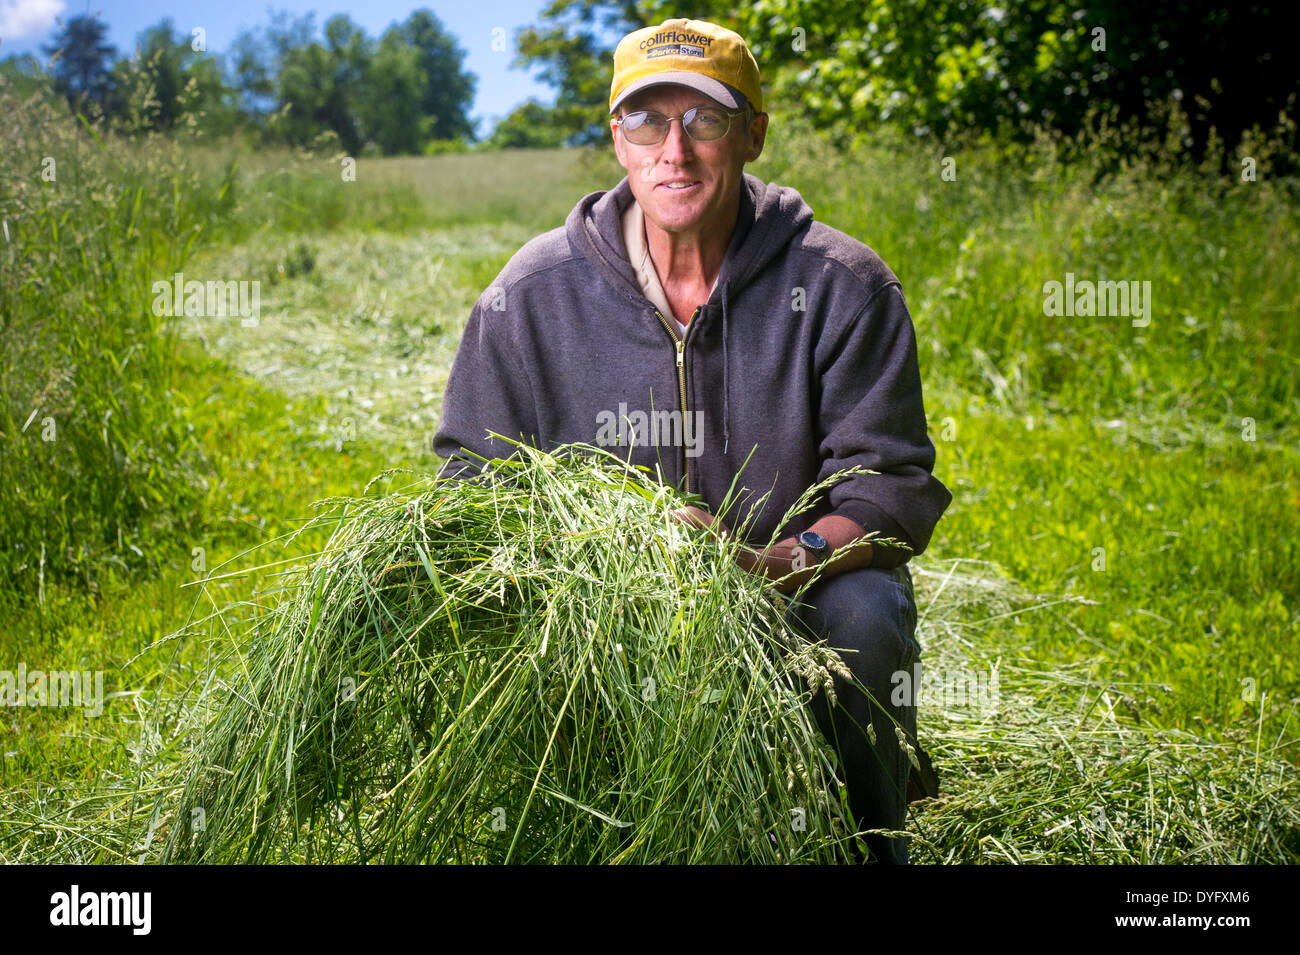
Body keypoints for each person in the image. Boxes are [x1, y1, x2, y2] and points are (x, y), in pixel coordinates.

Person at [433, 17, 951, 863]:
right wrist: (596, 565)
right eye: (646, 120)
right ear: (616, 137)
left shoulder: (842, 286)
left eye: (705, 120)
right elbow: (470, 479)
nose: (674, 150)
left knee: (865, 610)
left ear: (753, 135)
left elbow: (888, 488)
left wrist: (760, 567)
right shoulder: (530, 297)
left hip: (787, 598)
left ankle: (868, 836)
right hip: (599, 619)